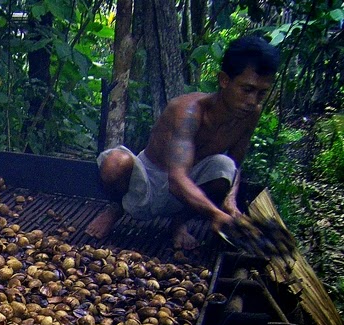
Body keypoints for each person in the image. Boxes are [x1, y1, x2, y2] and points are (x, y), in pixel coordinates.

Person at [85, 35, 280, 250]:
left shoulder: (251, 114)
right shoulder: (187, 111)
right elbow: (176, 180)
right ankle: (116, 208)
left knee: (226, 168)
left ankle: (178, 223)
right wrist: (215, 214)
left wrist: (230, 204)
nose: (252, 101)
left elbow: (235, 164)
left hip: (189, 190)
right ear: (224, 80)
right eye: (247, 90)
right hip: (151, 182)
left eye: (261, 94)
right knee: (115, 163)